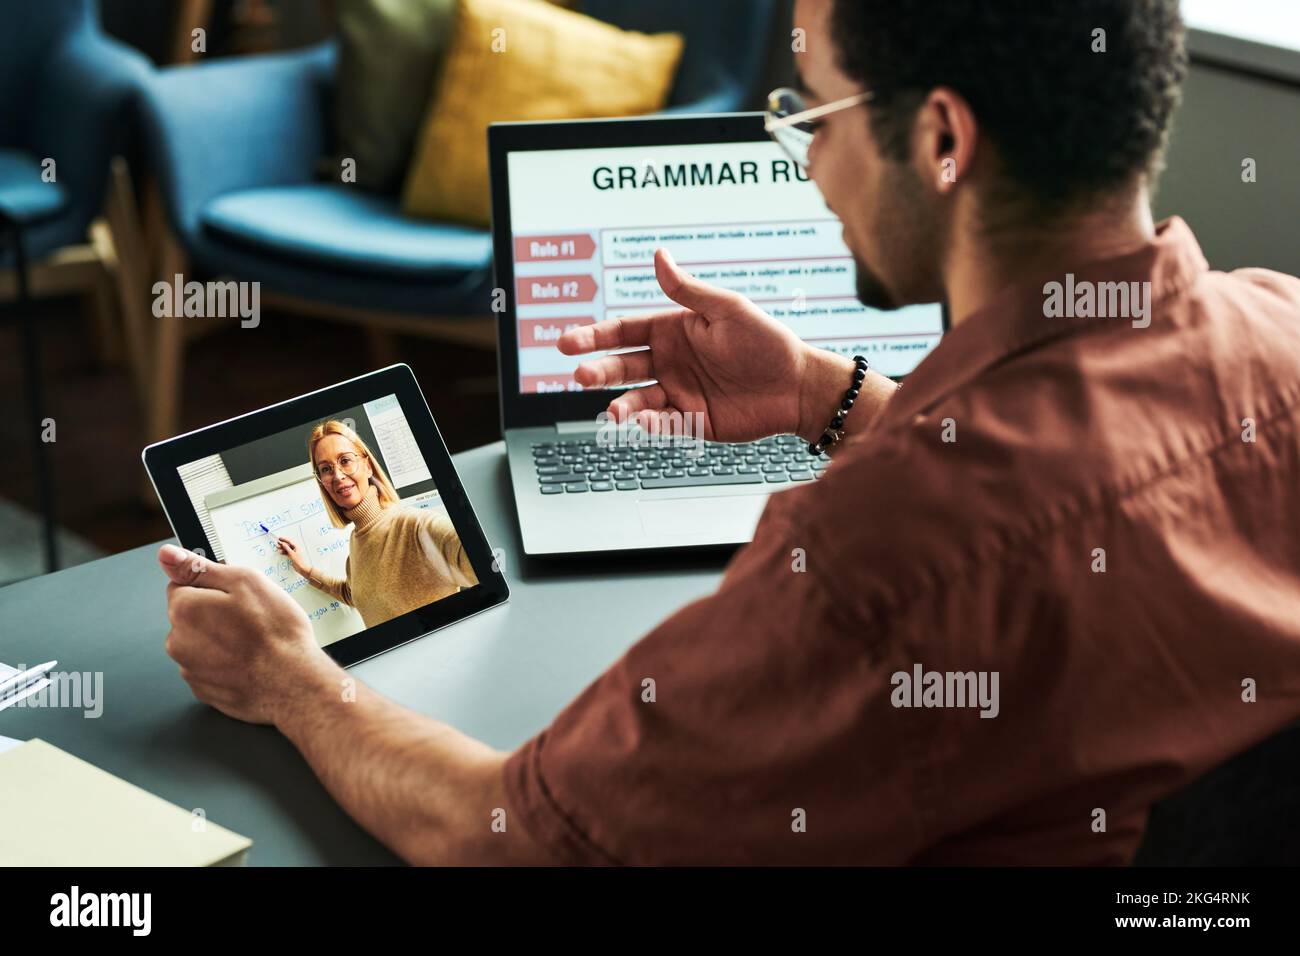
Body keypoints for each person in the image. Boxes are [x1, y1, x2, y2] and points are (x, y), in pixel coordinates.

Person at [157, 0, 1300, 865]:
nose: (805, 156)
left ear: (942, 139)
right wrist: (821, 393)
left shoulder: (869, 564)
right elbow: (1072, 482)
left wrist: (289, 680)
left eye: (817, 111)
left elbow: (509, 833)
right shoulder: (1280, 334)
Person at [276, 419, 477, 629]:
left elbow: (479, 560)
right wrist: (305, 570)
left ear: (368, 466)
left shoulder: (416, 526)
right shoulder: (356, 542)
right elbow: (353, 594)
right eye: (326, 469)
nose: (337, 476)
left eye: (345, 460)